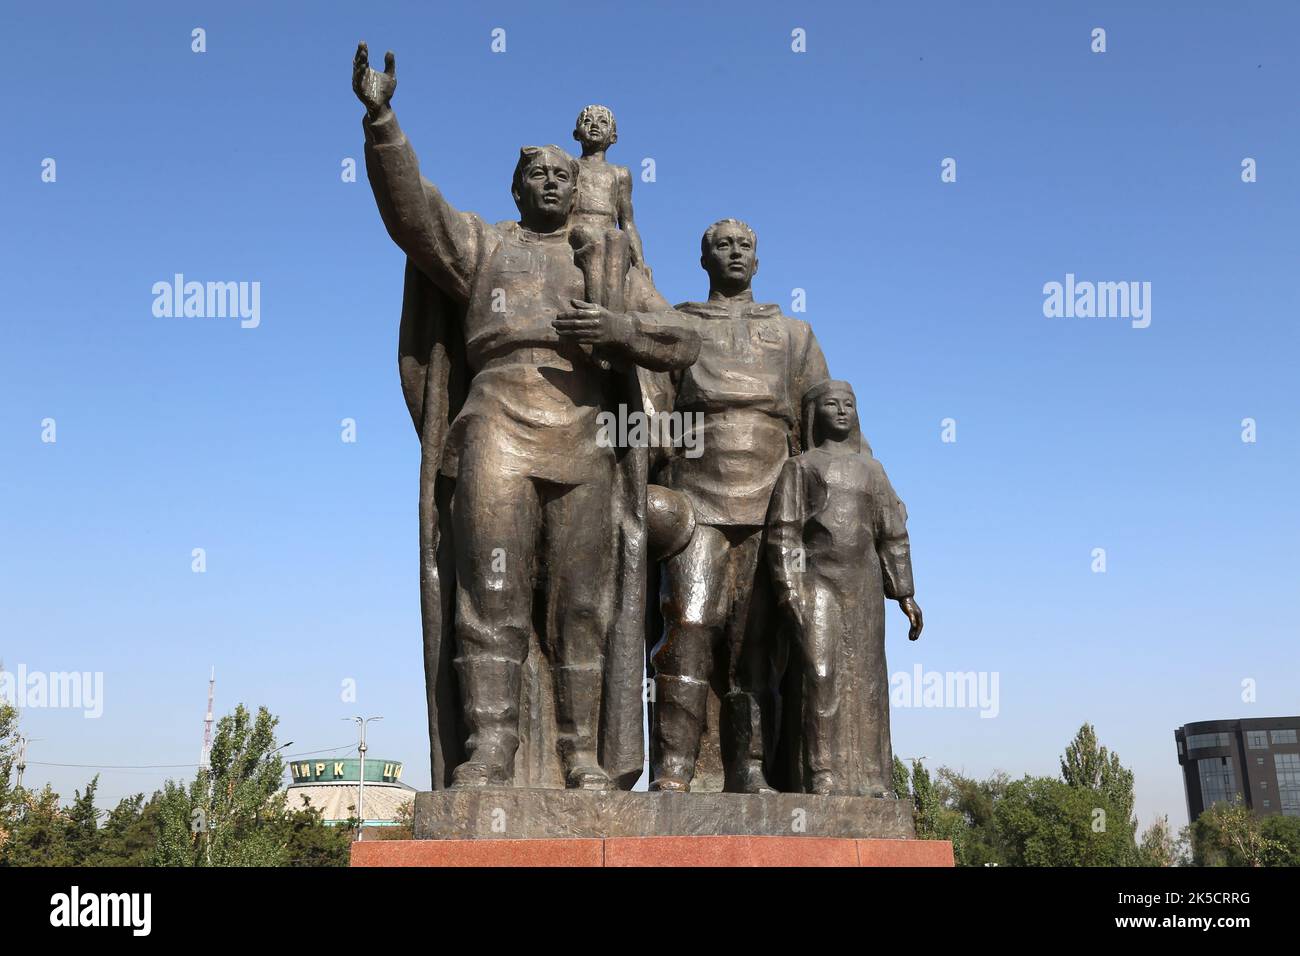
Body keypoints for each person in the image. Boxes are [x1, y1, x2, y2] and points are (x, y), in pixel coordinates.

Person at [353, 43, 700, 790]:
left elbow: (682, 338)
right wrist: (383, 122)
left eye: (562, 175)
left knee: (583, 605)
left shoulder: (606, 261)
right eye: (537, 173)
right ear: (516, 187)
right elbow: (414, 213)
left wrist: (619, 331)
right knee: (493, 594)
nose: (551, 182)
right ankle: (492, 751)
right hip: (498, 429)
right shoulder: (484, 245)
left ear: (579, 190)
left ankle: (580, 755)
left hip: (585, 443)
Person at [648, 218, 829, 793]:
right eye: (721, 245)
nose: (733, 253)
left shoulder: (793, 335)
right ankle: (674, 770)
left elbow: (821, 424)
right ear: (703, 260)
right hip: (696, 501)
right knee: (690, 626)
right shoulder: (677, 325)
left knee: (757, 649)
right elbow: (653, 410)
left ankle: (748, 768)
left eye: (743, 246)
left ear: (758, 260)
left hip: (772, 505)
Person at [765, 380, 924, 796]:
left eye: (849, 405)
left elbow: (893, 534)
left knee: (869, 680)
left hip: (866, 587)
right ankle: (823, 774)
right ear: (815, 413)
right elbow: (783, 535)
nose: (841, 411)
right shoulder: (800, 468)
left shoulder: (873, 470)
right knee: (821, 675)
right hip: (817, 585)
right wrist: (791, 591)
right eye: (832, 404)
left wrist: (905, 593)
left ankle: (874, 779)